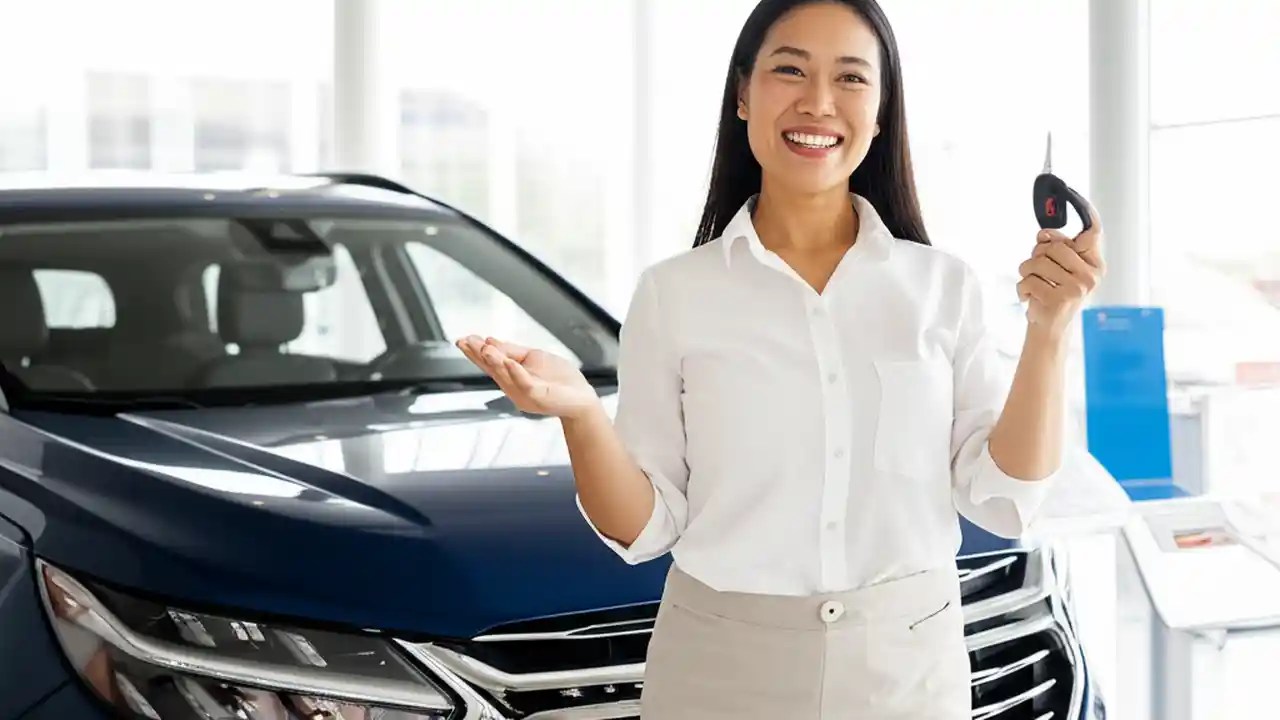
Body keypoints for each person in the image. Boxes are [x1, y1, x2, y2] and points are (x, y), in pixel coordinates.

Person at [455, 0, 1105, 716]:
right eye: (789, 69)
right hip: (719, 673)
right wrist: (580, 413)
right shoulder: (675, 294)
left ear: (882, 110)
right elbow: (645, 528)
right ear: (743, 94)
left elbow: (1004, 496)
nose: (818, 103)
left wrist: (1050, 330)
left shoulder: (941, 287)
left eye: (851, 79)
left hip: (908, 674)